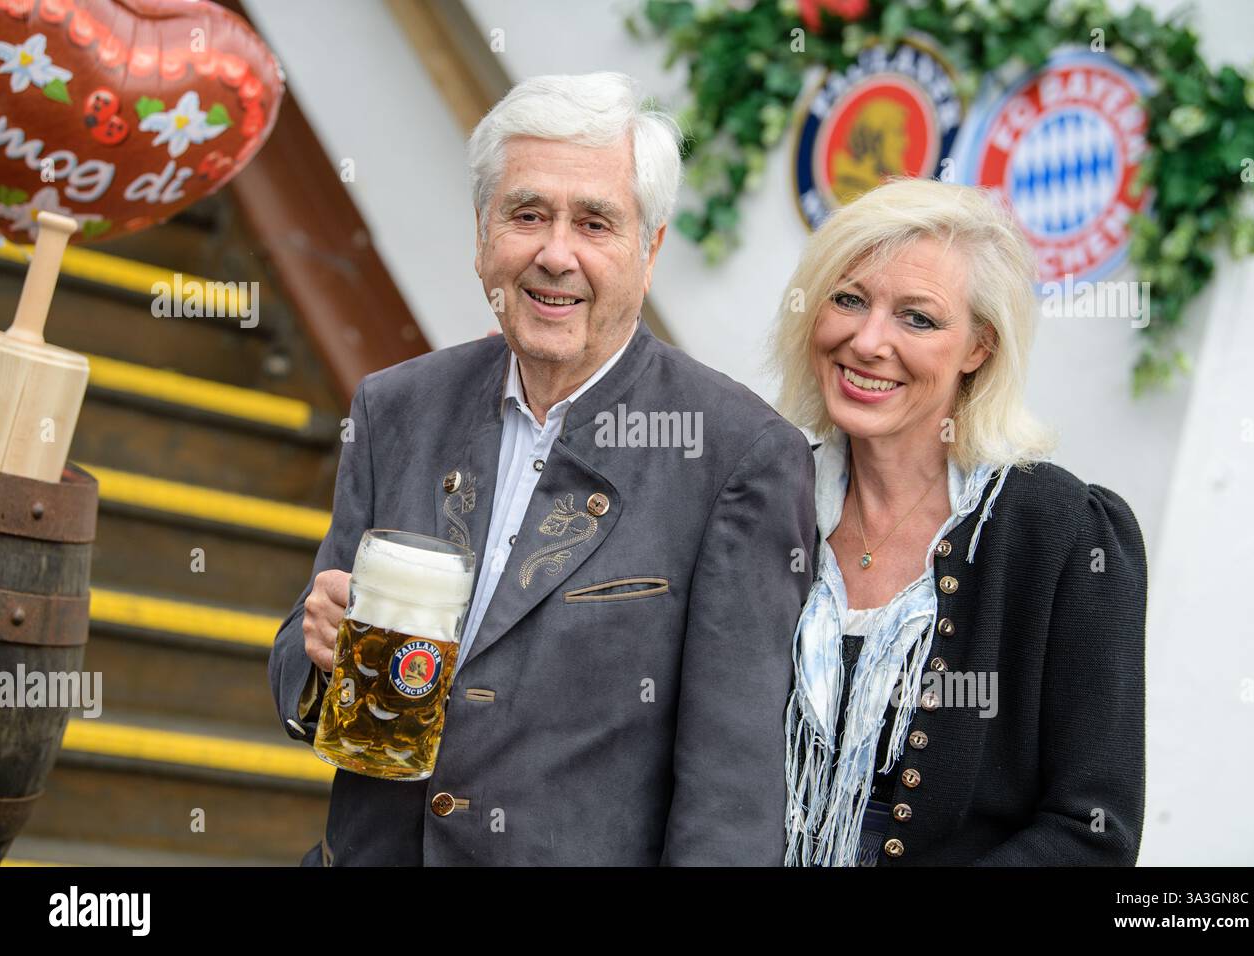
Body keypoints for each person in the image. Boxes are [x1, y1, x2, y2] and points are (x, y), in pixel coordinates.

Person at [268, 72, 817, 866]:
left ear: (649, 250)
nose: (555, 254)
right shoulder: (395, 407)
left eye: (595, 223)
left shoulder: (738, 454)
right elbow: (297, 661)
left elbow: (731, 794)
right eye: (527, 215)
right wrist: (314, 657)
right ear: (483, 234)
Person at [774, 177, 1146, 866]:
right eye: (848, 299)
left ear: (978, 348)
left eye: (917, 317)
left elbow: (1092, 829)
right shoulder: (761, 499)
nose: (868, 340)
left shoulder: (1059, 534)